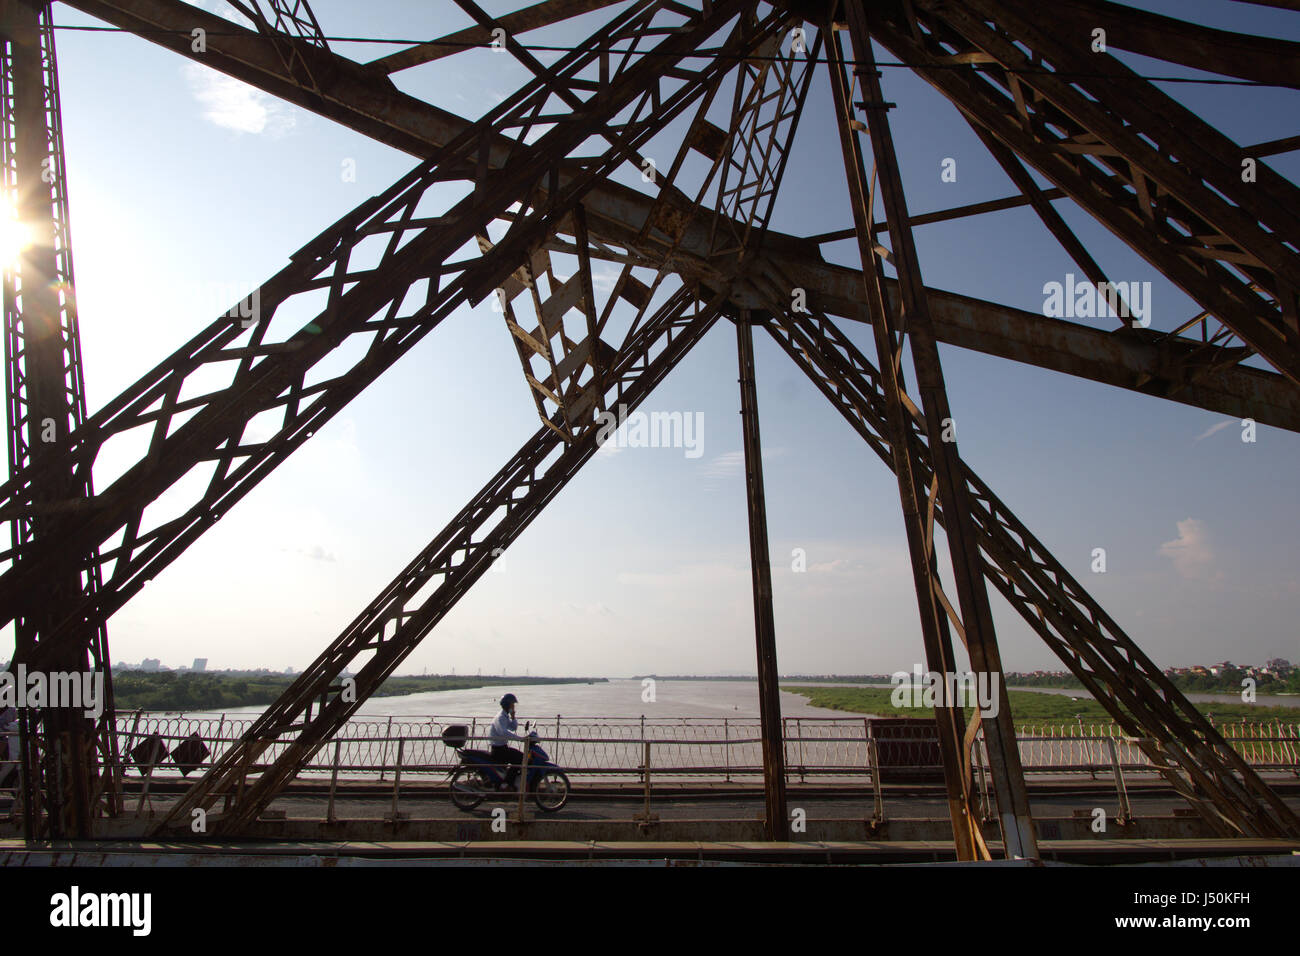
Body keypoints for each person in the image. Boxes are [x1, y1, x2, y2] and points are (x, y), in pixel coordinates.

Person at [489, 693, 526, 791]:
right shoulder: (500, 717)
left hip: (503, 747)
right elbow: (504, 733)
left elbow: (513, 727)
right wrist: (520, 739)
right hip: (498, 750)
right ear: (507, 705)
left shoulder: (505, 716)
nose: (513, 706)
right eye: (512, 704)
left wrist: (513, 716)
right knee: (520, 759)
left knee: (521, 757)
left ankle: (510, 780)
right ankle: (506, 783)